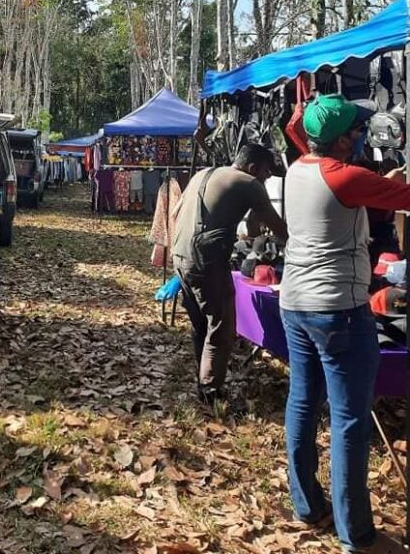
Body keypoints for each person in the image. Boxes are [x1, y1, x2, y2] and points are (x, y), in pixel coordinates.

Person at [281, 93, 410, 554]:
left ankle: (307, 505)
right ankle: (357, 535)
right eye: (356, 131)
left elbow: (300, 130)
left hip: (295, 304)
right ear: (341, 141)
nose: (361, 136)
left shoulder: (298, 167)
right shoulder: (347, 177)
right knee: (349, 420)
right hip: (338, 310)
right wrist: (392, 181)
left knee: (302, 403)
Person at [172, 143, 288, 405]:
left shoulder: (204, 173)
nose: (267, 178)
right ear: (253, 168)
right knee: (221, 328)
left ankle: (202, 381)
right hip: (206, 261)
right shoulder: (248, 183)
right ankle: (211, 393)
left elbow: (176, 212)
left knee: (201, 324)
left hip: (180, 255)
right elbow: (277, 228)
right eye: (266, 173)